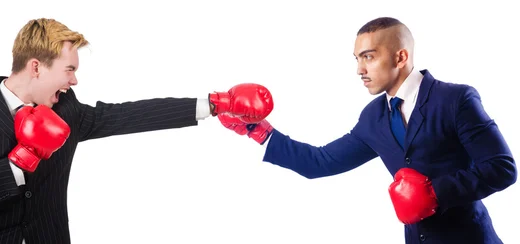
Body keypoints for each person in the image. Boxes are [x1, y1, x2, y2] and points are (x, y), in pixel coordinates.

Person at [0, 18, 274, 244]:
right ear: (37, 67)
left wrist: (214, 104)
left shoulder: (67, 110)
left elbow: (128, 116)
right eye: (69, 69)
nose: (74, 81)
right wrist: (22, 159)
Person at [218, 17, 516, 244]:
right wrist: (259, 131)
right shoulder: (374, 117)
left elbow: (502, 167)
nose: (360, 70)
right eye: (357, 58)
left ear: (400, 57)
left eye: (369, 57)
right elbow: (321, 162)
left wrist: (436, 193)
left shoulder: (455, 100)